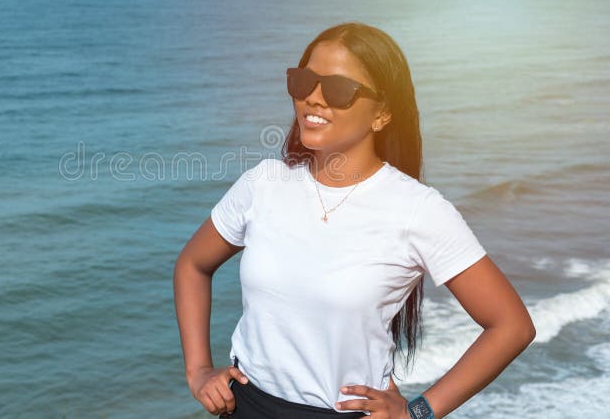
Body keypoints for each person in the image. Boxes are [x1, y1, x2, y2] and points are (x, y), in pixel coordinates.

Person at [173, 22, 536, 418]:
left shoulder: (418, 210)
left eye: (337, 90)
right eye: (303, 81)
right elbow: (192, 265)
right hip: (246, 406)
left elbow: (511, 325)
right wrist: (198, 371)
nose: (313, 99)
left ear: (381, 114)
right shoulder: (263, 184)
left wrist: (417, 412)